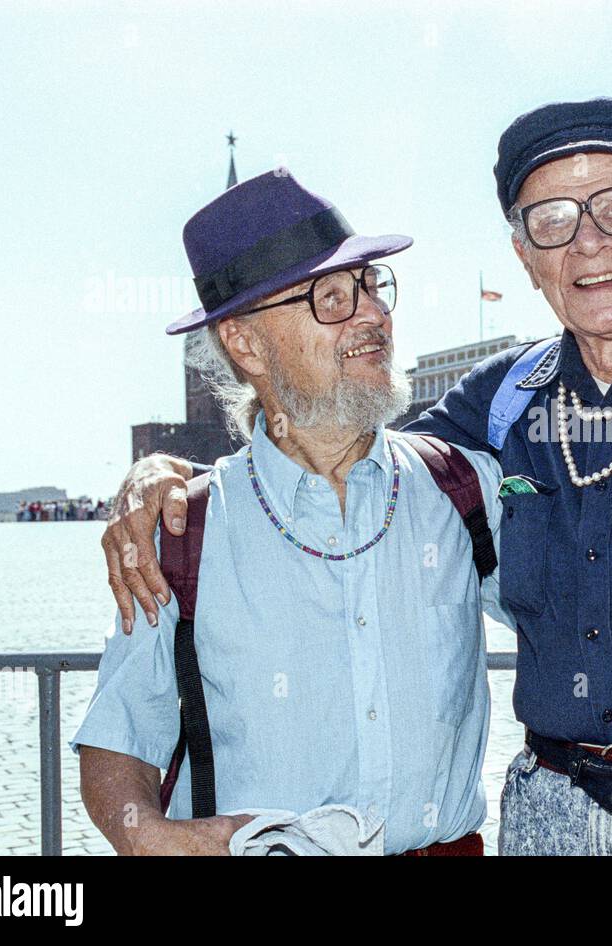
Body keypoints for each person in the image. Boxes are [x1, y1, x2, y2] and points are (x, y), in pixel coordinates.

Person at [100, 98, 612, 856]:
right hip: (559, 820)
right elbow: (331, 452)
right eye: (554, 220)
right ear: (525, 256)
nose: (589, 243)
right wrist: (160, 480)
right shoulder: (497, 408)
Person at [74, 171, 500, 856]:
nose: (371, 315)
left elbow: (592, 619)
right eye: (330, 297)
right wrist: (147, 836)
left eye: (370, 285)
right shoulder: (183, 534)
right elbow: (118, 735)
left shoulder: (462, 490)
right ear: (244, 343)